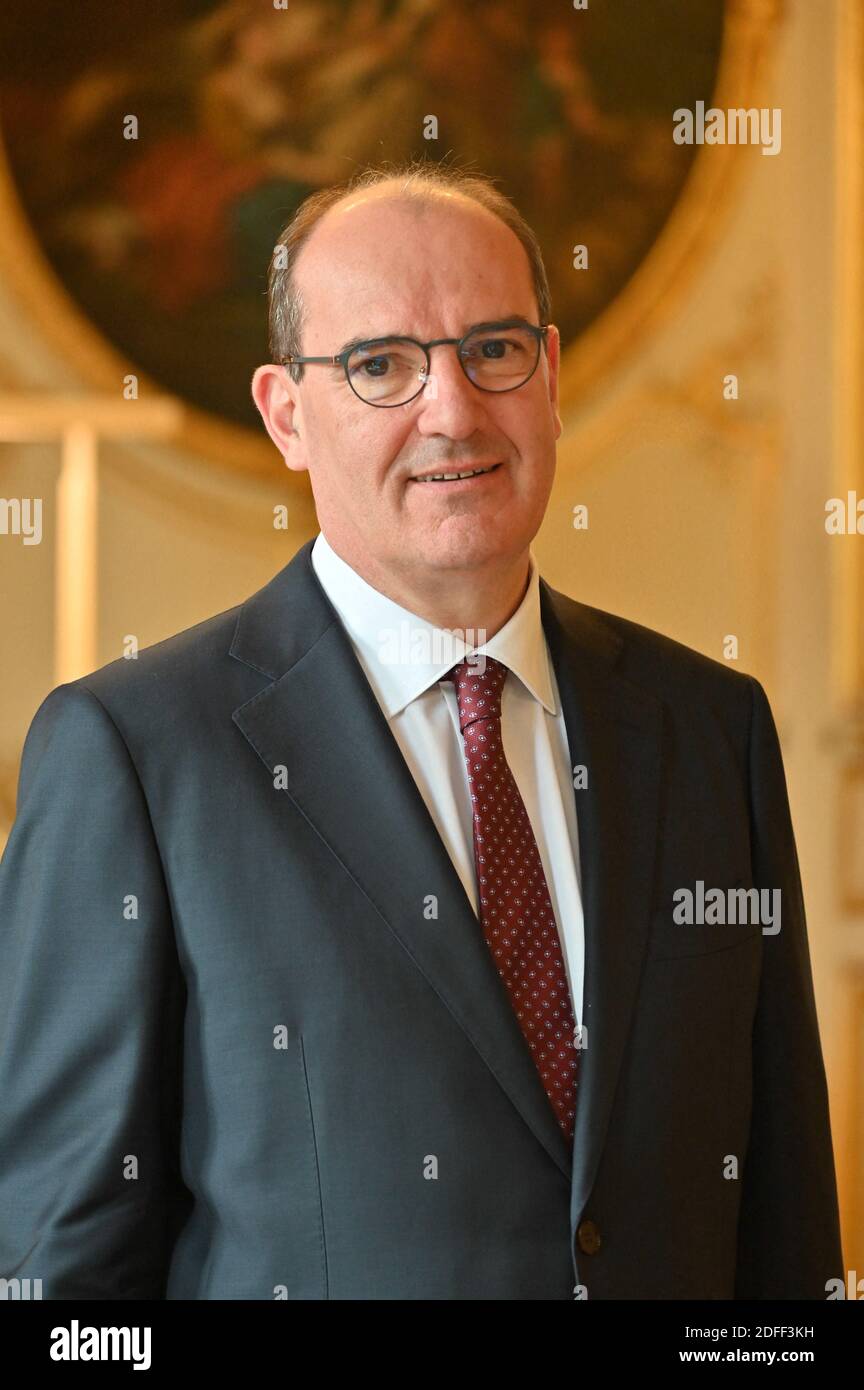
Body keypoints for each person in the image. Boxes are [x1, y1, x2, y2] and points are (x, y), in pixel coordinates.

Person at [0, 160, 843, 1300]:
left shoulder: (710, 731)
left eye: (492, 349)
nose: (451, 409)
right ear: (287, 415)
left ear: (548, 375)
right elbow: (62, 1272)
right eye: (380, 364)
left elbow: (781, 1231)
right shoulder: (138, 755)